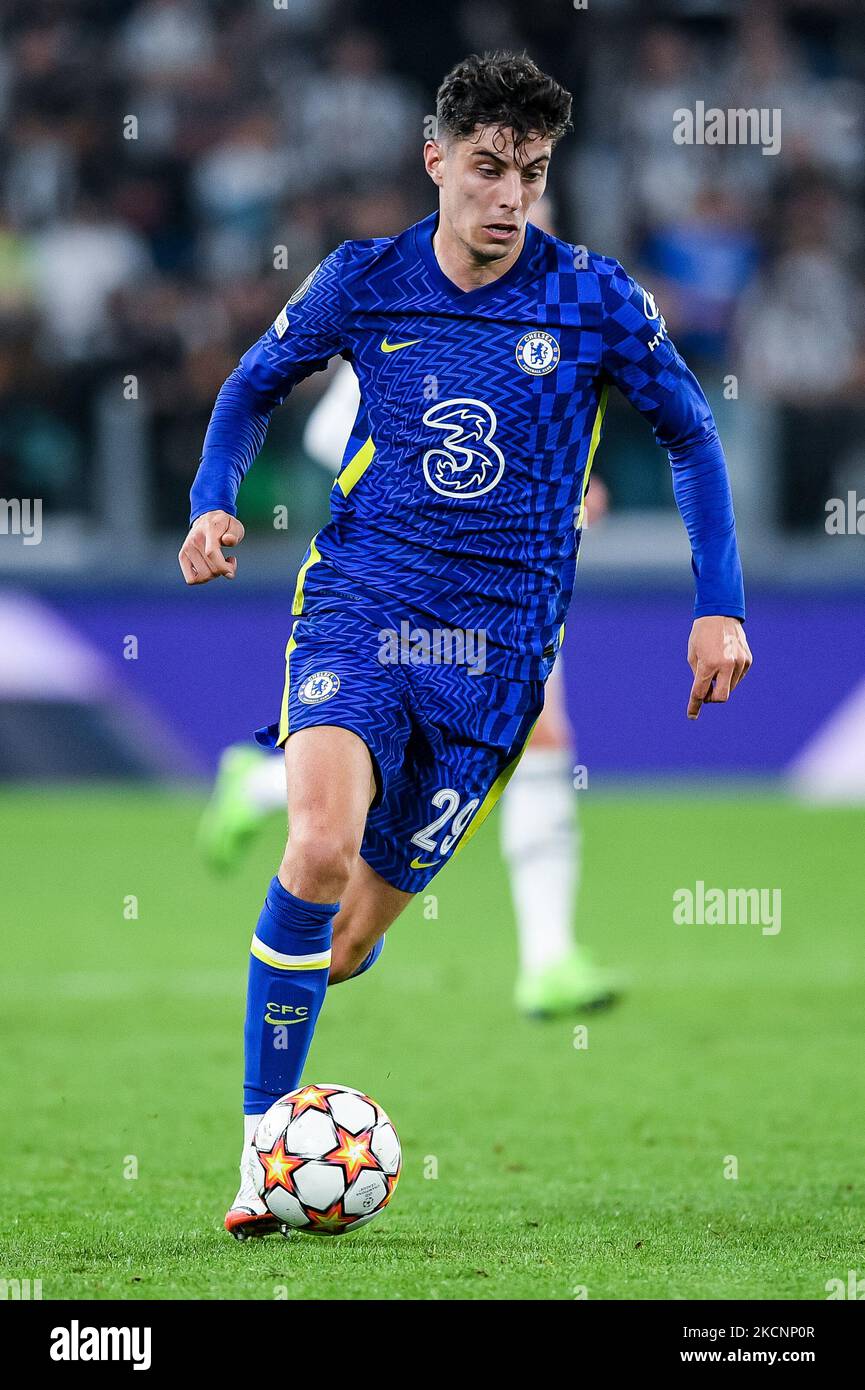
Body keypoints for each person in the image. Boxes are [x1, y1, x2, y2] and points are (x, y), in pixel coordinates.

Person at [179, 51, 752, 1239]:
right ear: (435, 160)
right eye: (487, 168)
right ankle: (257, 1160)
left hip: (496, 665)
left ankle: (305, 991)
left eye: (530, 174)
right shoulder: (362, 280)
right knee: (318, 844)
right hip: (363, 605)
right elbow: (249, 384)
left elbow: (691, 440)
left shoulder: (593, 297)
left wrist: (721, 601)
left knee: (335, 945)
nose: (508, 196)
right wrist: (212, 497)